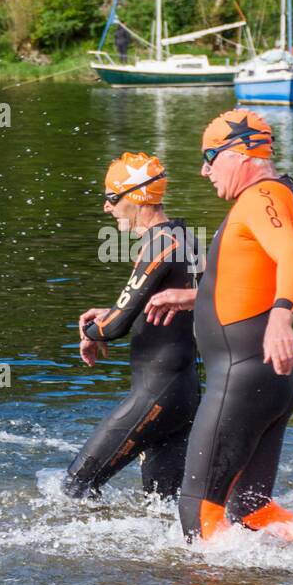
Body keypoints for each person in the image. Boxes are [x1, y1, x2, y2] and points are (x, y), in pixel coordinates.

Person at [146, 109, 293, 542]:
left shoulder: (260, 198)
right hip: (266, 381)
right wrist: (195, 297)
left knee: (196, 508)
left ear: (242, 153)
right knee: (252, 510)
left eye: (211, 156)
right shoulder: (264, 199)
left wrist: (282, 317)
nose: (204, 169)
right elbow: (251, 277)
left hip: (242, 377)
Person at [66, 152, 199, 500]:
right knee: (161, 510)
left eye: (112, 198)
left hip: (156, 394)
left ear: (136, 197)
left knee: (74, 487)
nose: (107, 209)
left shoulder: (160, 244)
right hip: (183, 393)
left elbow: (117, 325)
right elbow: (148, 305)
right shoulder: (185, 238)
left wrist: (90, 332)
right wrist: (108, 312)